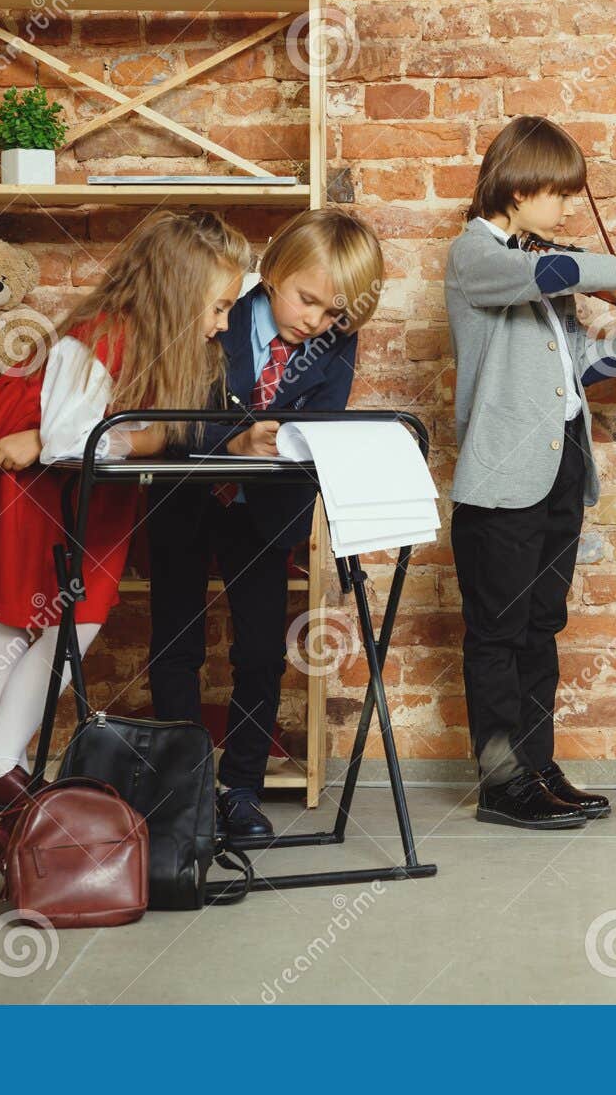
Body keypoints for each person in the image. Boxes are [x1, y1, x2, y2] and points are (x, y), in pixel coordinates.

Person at [0, 211, 252, 815]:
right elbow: (74, 441)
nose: (223, 323)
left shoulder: (137, 341)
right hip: (20, 493)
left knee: (31, 641)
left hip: (59, 494)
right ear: (175, 297)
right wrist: (148, 440)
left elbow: (72, 439)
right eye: (218, 307)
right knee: (37, 636)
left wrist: (121, 438)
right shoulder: (99, 339)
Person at [447, 114, 616, 830]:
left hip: (558, 472)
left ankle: (535, 766)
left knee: (538, 628)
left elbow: (579, 369)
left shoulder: (541, 269)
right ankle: (501, 781)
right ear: (520, 184)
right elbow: (554, 268)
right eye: (560, 193)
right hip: (501, 480)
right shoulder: (477, 257)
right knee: (497, 634)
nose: (566, 208)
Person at [145, 208, 385, 844]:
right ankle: (183, 790)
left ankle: (241, 788)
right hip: (184, 498)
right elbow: (166, 414)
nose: (316, 322)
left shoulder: (334, 342)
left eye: (335, 316)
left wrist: (287, 441)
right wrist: (233, 440)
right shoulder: (212, 311)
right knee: (177, 645)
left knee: (260, 653)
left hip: (269, 510)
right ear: (274, 271)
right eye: (309, 302)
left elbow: (323, 422)